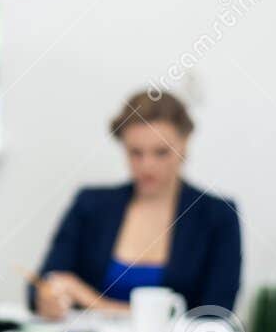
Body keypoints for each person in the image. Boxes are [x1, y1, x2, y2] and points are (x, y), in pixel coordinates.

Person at [31, 90, 240, 319]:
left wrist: (94, 303)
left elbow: (215, 315)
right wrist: (48, 298)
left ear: (185, 144)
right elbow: (40, 284)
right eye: (135, 153)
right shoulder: (90, 205)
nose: (147, 166)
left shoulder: (217, 216)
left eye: (161, 153)